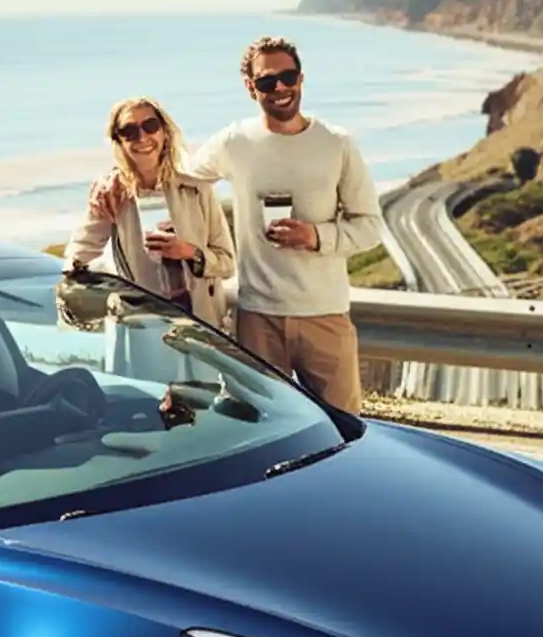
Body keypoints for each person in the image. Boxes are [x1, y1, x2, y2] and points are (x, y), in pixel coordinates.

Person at [90, 36, 383, 415]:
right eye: (266, 81)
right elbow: (172, 173)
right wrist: (114, 175)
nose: (279, 88)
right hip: (256, 318)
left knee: (344, 427)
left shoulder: (337, 143)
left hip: (324, 314)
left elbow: (370, 227)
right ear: (251, 87)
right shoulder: (234, 142)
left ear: (301, 78)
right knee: (265, 428)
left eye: (287, 77)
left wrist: (316, 236)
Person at [64, 96, 236, 329]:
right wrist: (71, 290)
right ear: (118, 141)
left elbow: (226, 263)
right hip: (143, 324)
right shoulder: (113, 194)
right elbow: (81, 252)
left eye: (150, 126)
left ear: (164, 132)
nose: (142, 137)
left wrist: (189, 252)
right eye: (129, 131)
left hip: (201, 323)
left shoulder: (196, 190)